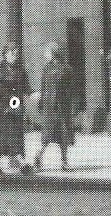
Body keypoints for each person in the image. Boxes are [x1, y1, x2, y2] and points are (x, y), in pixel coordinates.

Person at [32, 43, 77, 172]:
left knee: (63, 136)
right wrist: (41, 103)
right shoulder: (47, 68)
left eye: (47, 52)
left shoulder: (66, 69)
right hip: (50, 107)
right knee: (47, 135)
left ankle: (64, 161)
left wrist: (72, 106)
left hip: (62, 107)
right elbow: (43, 87)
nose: (45, 55)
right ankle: (39, 156)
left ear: (53, 52)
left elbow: (71, 89)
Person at [0, 43, 33, 175]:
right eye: (12, 53)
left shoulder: (20, 70)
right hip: (2, 108)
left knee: (16, 134)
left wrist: (33, 94)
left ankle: (21, 162)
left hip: (15, 106)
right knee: (2, 135)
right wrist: (7, 100)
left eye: (16, 53)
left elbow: (26, 88)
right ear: (5, 54)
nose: (15, 56)